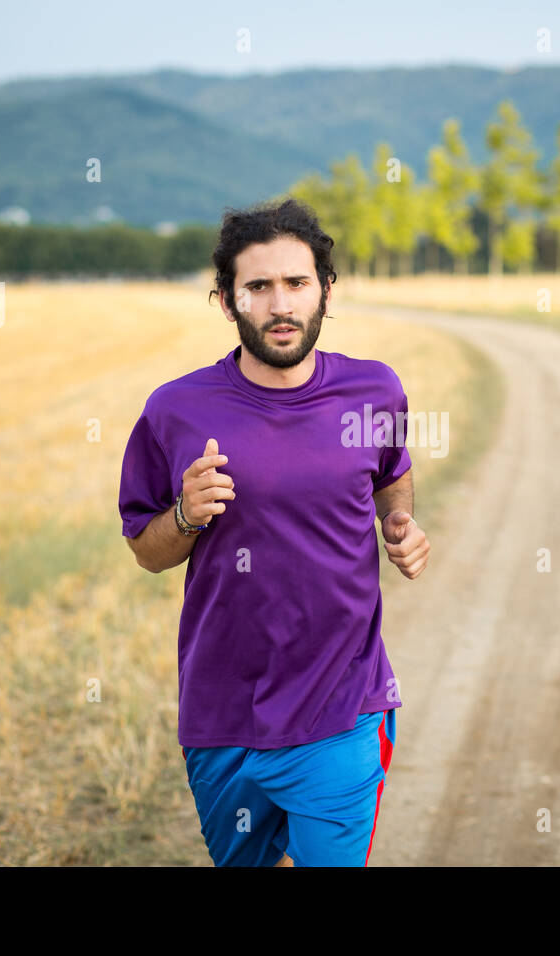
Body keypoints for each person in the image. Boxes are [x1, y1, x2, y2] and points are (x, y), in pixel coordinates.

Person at [118, 197, 430, 867]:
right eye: (258, 286)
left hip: (342, 711)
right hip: (221, 718)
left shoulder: (374, 392)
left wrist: (399, 523)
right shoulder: (174, 411)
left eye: (297, 283)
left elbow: (392, 472)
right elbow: (147, 552)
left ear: (325, 291)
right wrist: (184, 514)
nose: (280, 303)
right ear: (229, 303)